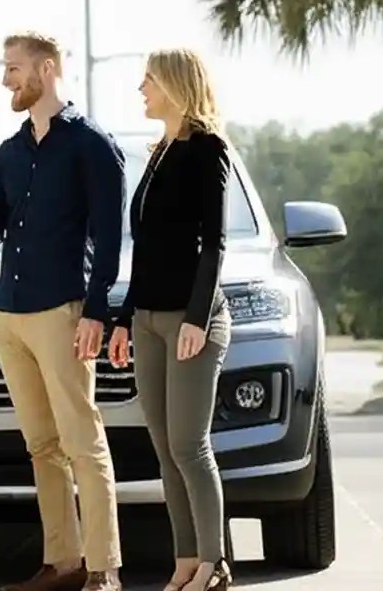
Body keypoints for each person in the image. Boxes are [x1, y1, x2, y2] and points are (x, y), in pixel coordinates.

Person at [0, 32, 126, 591]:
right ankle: (64, 561)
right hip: (11, 315)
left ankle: (104, 568)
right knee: (42, 446)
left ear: (46, 70)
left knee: (82, 441)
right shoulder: (12, 151)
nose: (5, 80)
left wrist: (97, 311)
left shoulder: (92, 145)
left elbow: (110, 238)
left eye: (14, 69)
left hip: (63, 313)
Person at [107, 49, 234, 591]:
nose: (141, 88)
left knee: (189, 444)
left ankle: (215, 562)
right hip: (148, 320)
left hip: (191, 319)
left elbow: (214, 244)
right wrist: (121, 318)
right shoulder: (158, 152)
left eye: (149, 80)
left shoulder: (209, 150)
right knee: (164, 446)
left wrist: (197, 319)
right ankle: (185, 562)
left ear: (176, 84)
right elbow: (148, 249)